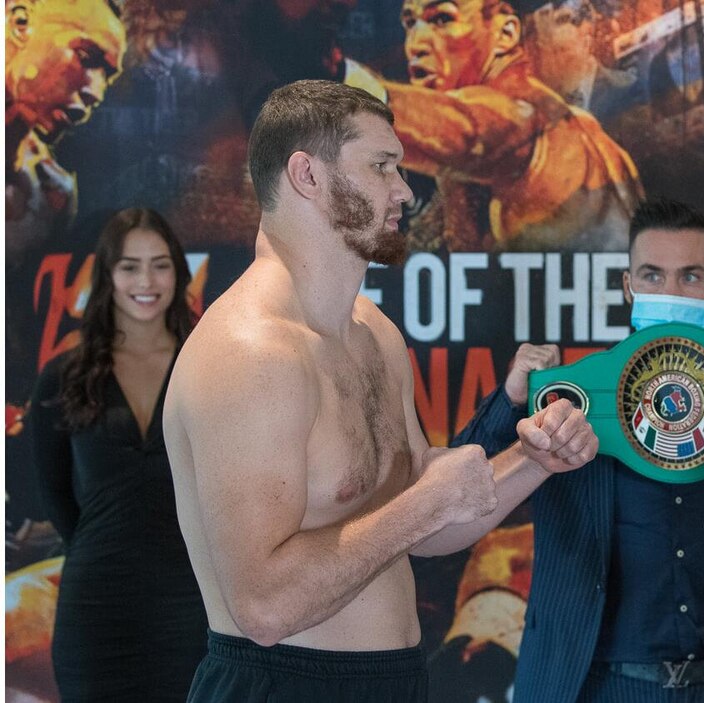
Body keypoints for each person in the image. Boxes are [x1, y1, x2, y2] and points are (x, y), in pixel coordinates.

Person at [162, 79, 598, 701]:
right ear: (307, 175)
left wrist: (535, 460)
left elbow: (426, 528)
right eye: (381, 166)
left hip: (394, 680)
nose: (405, 190)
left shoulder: (374, 333)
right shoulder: (251, 353)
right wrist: (425, 504)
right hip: (282, 686)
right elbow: (265, 608)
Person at [454, 198, 704, 702]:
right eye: (653, 275)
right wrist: (511, 398)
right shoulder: (568, 399)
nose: (671, 292)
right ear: (629, 287)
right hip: (599, 686)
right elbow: (457, 497)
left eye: (690, 277)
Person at [28, 208, 206, 701]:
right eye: (129, 266)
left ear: (179, 272)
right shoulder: (64, 377)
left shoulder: (210, 366)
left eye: (160, 265)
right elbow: (57, 498)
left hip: (193, 607)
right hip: (96, 613)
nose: (146, 281)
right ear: (107, 275)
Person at [391, 0, 644, 252]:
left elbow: (477, 128)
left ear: (507, 33)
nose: (415, 44)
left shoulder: (525, 118)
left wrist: (365, 95)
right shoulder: (572, 125)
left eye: (442, 19)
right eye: (410, 24)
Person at [5, 0, 126, 257]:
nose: (96, 93)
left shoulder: (54, 194)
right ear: (19, 24)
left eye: (107, 77)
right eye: (85, 57)